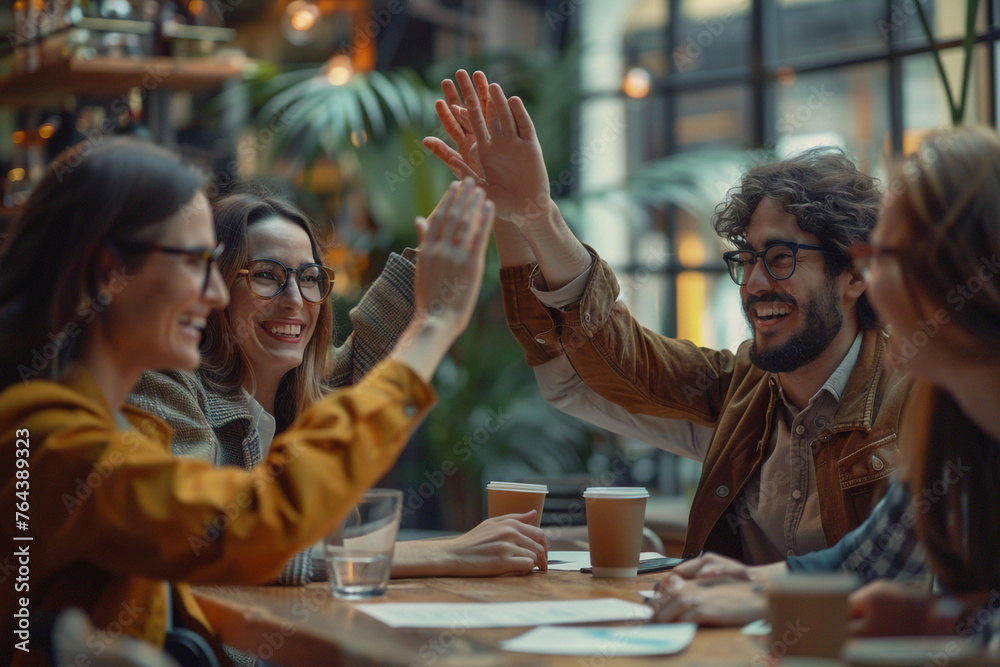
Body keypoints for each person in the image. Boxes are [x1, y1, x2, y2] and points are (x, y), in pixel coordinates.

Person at [0, 137, 495, 667]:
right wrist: (434, 326)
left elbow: (358, 365)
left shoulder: (113, 425)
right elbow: (251, 523)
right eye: (195, 262)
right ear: (109, 273)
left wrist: (470, 218)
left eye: (308, 279)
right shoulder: (47, 441)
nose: (214, 293)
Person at [423, 70, 911, 565]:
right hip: (722, 642)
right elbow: (607, 365)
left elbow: (899, 576)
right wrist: (526, 216)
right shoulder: (744, 390)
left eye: (781, 258)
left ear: (854, 275)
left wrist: (754, 593)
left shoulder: (913, 402)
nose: (757, 283)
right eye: (747, 259)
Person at [650, 125, 1000, 643]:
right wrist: (746, 582)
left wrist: (943, 622)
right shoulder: (947, 411)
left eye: (885, 260)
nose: (872, 286)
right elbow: (869, 559)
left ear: (956, 272)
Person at [126, 192, 548, 584]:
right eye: (266, 275)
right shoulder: (164, 385)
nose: (294, 299)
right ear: (213, 289)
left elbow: (381, 341)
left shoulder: (314, 387)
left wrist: (478, 194)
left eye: (309, 278)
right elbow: (224, 543)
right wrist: (449, 554)